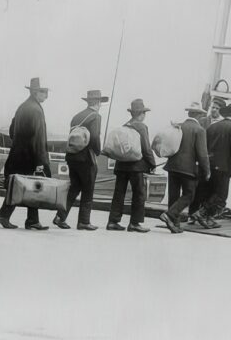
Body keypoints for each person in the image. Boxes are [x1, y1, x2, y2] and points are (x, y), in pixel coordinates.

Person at [0, 78, 52, 230]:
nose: (46, 95)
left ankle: (31, 220)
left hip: (17, 155)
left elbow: (12, 131)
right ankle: (5, 215)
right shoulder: (37, 110)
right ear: (35, 92)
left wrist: (20, 143)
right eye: (44, 92)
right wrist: (41, 161)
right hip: (30, 157)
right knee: (30, 187)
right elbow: (39, 138)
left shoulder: (22, 107)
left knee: (25, 187)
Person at [53, 89, 107, 231]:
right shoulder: (96, 116)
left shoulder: (77, 116)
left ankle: (60, 216)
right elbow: (94, 137)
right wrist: (98, 151)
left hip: (72, 156)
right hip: (86, 158)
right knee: (88, 189)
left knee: (74, 187)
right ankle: (84, 221)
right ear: (97, 102)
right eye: (100, 102)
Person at [159, 102, 211, 234]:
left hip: (172, 166)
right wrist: (207, 171)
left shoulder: (178, 127)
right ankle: (169, 215)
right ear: (199, 115)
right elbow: (202, 154)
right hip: (188, 169)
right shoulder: (199, 130)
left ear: (189, 113)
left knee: (173, 195)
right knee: (189, 195)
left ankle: (174, 224)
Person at [107, 99, 156, 233]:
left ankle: (113, 221)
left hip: (121, 166)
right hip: (136, 167)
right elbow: (146, 148)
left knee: (119, 193)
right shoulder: (141, 126)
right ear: (142, 113)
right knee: (139, 194)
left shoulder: (125, 125)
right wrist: (152, 164)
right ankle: (135, 223)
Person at [195, 103, 231, 228]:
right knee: (221, 195)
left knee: (210, 191)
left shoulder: (212, 127)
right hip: (223, 167)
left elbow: (204, 146)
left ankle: (208, 219)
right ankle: (202, 214)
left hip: (209, 165)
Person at [189, 96, 226, 220]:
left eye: (217, 108)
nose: (214, 110)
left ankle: (204, 216)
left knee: (212, 190)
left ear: (221, 110)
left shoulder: (224, 124)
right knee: (199, 188)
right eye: (212, 107)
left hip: (216, 163)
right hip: (202, 159)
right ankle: (192, 215)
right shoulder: (203, 121)